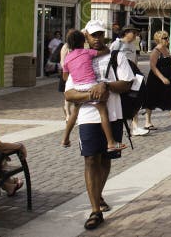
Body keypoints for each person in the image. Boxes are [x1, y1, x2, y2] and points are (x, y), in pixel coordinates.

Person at [64, 23, 135, 230]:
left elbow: (127, 83)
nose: (97, 38)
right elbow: (69, 93)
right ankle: (95, 210)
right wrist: (92, 95)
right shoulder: (78, 57)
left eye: (100, 34)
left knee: (105, 159)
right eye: (93, 35)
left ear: (104, 35)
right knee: (90, 159)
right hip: (87, 116)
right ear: (86, 36)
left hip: (112, 115)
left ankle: (98, 193)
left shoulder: (116, 56)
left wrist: (106, 86)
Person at [63, 29, 127, 153]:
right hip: (91, 86)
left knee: (74, 113)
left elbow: (65, 76)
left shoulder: (67, 58)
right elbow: (106, 51)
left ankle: (65, 139)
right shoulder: (87, 52)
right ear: (84, 41)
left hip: (78, 88)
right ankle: (111, 142)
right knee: (103, 111)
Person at [111, 25, 149, 137]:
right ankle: (122, 126)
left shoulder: (133, 45)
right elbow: (111, 60)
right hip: (121, 77)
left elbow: (134, 59)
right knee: (122, 101)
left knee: (135, 98)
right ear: (126, 32)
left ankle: (135, 126)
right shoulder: (117, 44)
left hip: (133, 74)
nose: (135, 35)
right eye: (133, 32)